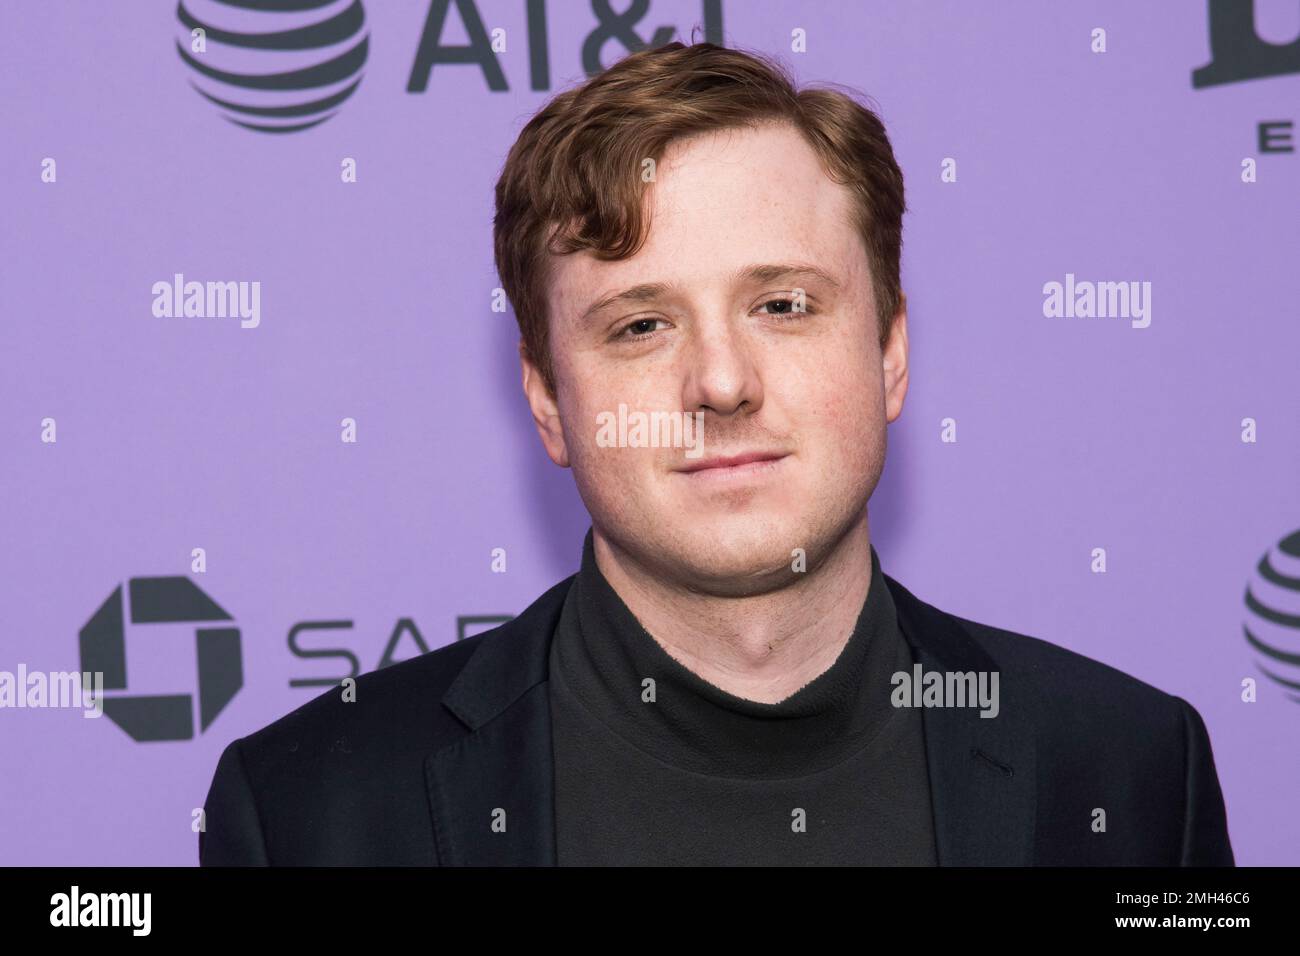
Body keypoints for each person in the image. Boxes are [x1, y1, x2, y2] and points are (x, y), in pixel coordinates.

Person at [199, 41, 1233, 866]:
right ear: (548, 400)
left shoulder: (1127, 768)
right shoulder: (309, 812)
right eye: (639, 325)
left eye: (782, 304)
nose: (722, 382)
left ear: (890, 355)